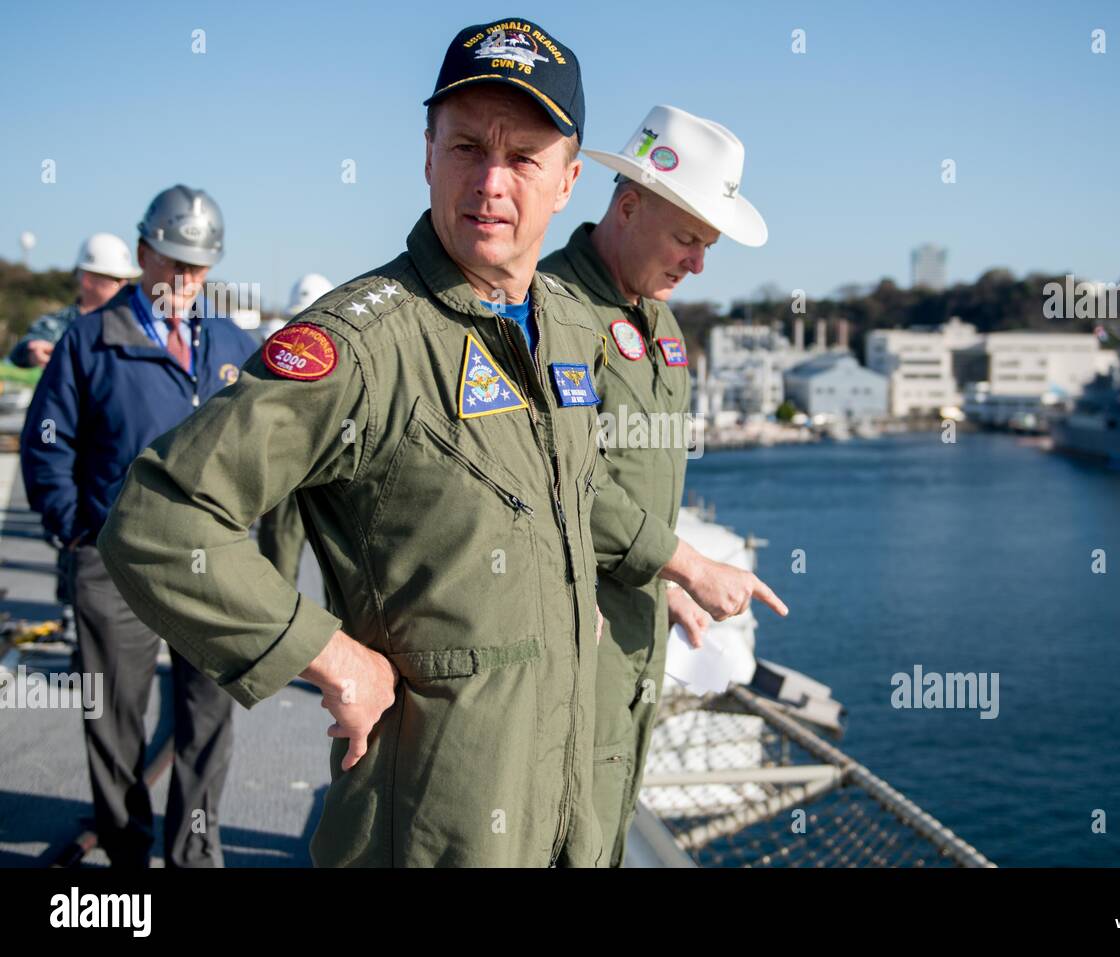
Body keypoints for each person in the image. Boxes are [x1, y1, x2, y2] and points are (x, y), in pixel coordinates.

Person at [97, 18, 783, 867]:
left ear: (569, 180)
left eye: (524, 157)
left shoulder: (570, 331)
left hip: (562, 808)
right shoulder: (364, 345)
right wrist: (331, 657)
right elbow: (160, 520)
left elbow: (565, 512)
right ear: (427, 154)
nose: (491, 183)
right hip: (432, 827)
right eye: (466, 147)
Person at [540, 103, 768, 866]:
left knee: (603, 834)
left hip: (634, 640)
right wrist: (690, 566)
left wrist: (658, 584)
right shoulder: (551, 314)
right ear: (627, 205)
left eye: (707, 245)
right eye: (686, 239)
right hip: (560, 646)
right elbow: (562, 477)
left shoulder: (664, 327)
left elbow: (637, 480)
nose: (698, 264)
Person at [21, 185, 257, 867]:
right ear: (143, 253)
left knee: (208, 718)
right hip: (113, 559)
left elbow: (266, 445)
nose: (184, 281)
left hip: (214, 564)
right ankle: (126, 851)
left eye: (198, 268)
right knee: (114, 718)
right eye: (173, 263)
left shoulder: (232, 345)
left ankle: (194, 852)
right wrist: (76, 530)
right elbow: (47, 441)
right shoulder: (90, 342)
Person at [257, 273, 335, 586]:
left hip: (326, 473)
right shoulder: (277, 352)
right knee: (279, 571)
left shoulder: (344, 351)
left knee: (339, 579)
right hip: (287, 478)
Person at [8, 233, 140, 368]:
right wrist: (32, 352)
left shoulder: (136, 323)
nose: (124, 286)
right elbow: (21, 352)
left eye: (127, 280)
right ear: (88, 279)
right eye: (117, 279)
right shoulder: (59, 324)